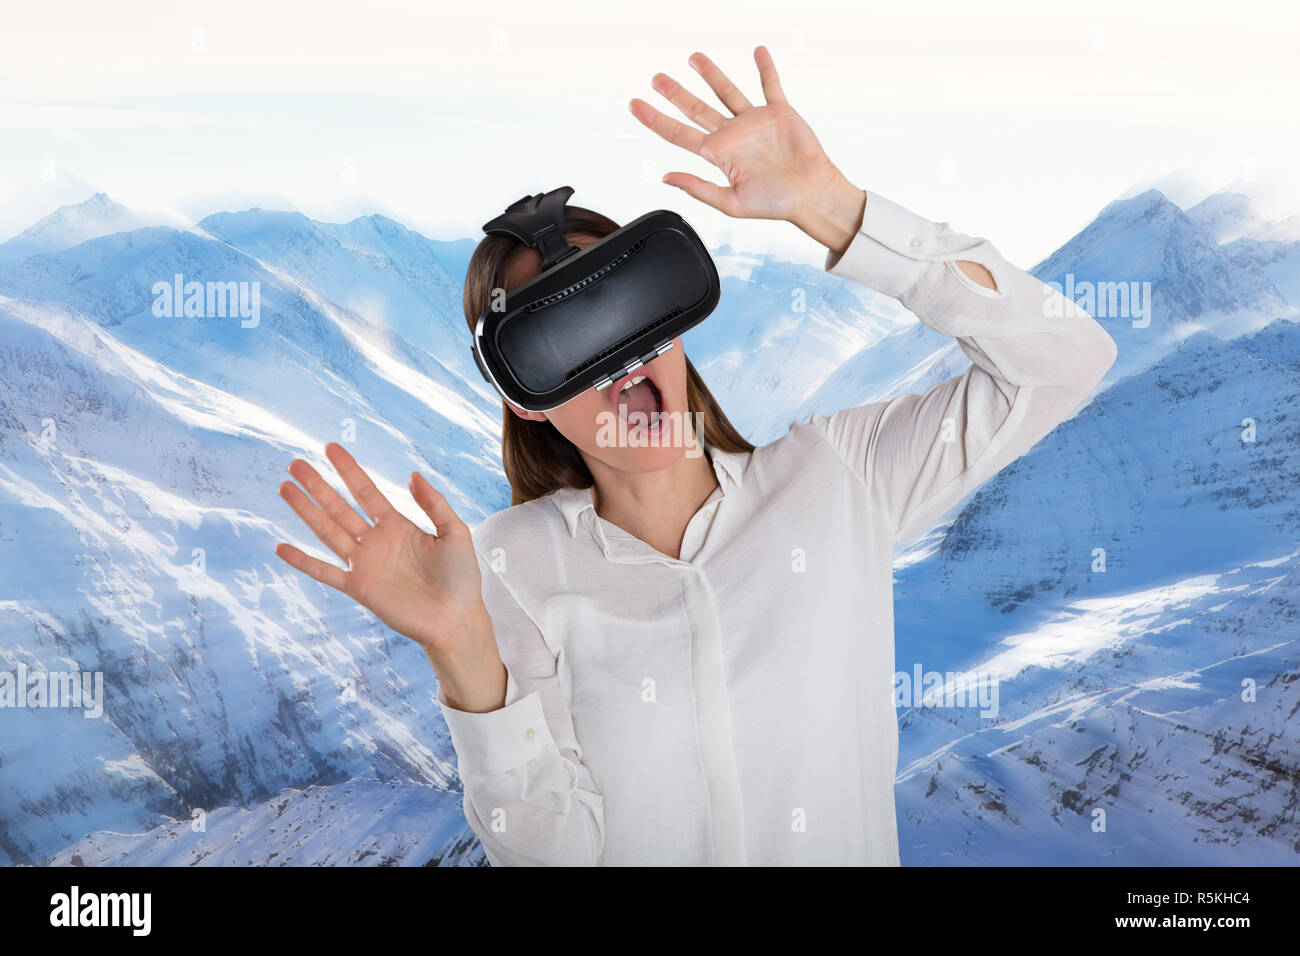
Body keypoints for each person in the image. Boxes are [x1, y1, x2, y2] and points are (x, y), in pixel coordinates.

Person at [274, 45, 1117, 865]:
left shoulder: (839, 481)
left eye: (627, 309)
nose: (619, 363)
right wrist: (463, 652)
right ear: (524, 395)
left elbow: (1065, 361)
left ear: (670, 319)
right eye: (565, 340)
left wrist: (836, 208)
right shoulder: (504, 571)